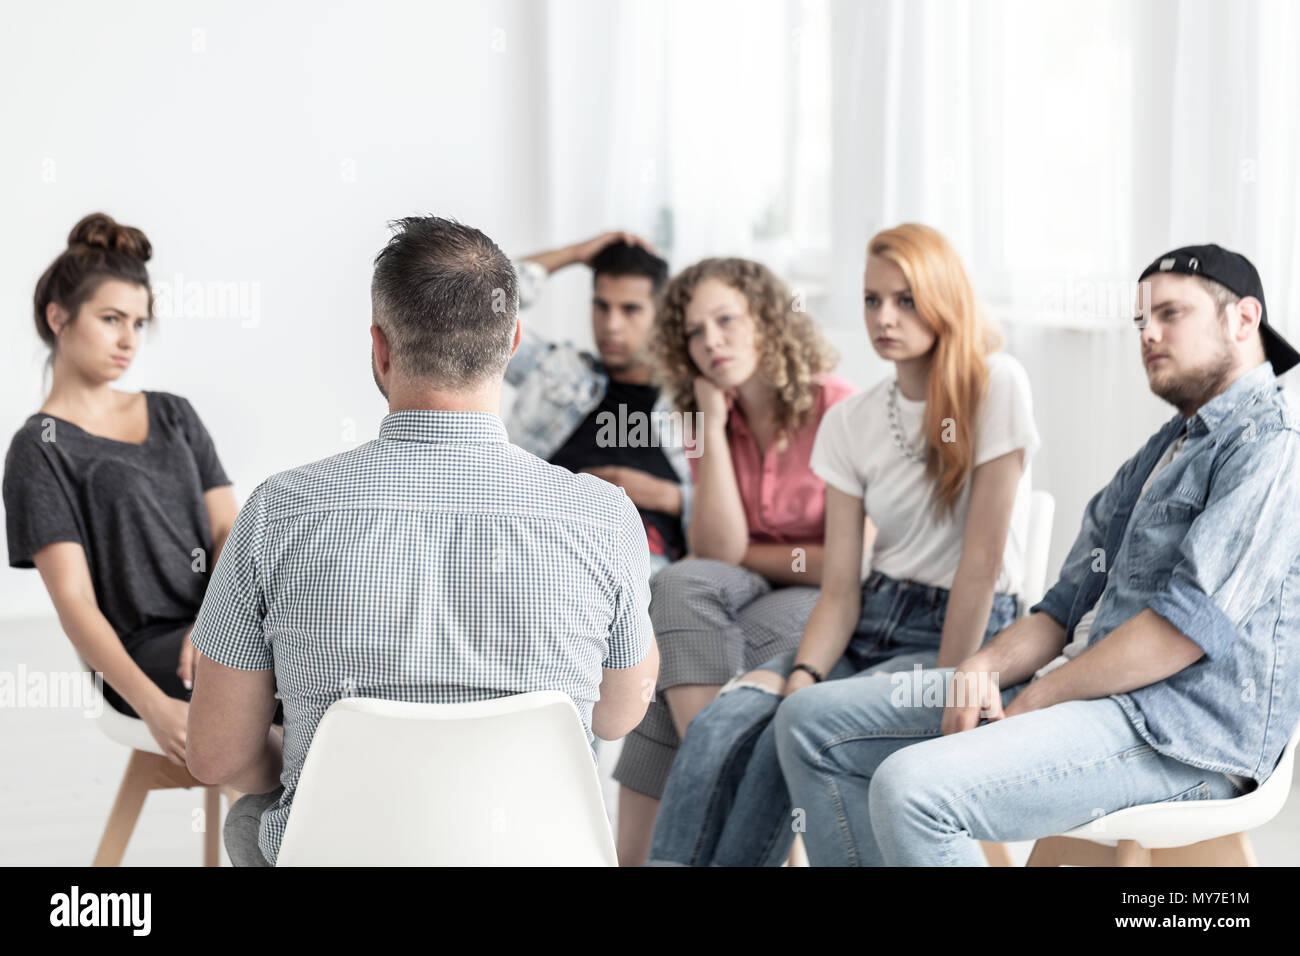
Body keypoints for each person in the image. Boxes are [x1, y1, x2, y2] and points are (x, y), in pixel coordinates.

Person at [777, 244, 1300, 865]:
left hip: (1172, 731)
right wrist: (984, 667)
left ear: (1244, 319)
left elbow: (1182, 633)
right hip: (1082, 698)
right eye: (1140, 320)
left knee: (912, 790)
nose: (1148, 335)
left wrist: (1039, 700)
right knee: (810, 723)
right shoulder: (1159, 453)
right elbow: (1058, 611)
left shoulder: (1272, 444)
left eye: (1170, 314)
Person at [185, 216, 659, 867]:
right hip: (538, 853)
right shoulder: (604, 517)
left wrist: (315, 760)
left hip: (344, 855)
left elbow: (217, 755)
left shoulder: (277, 512)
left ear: (380, 349)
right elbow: (616, 716)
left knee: (251, 820)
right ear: (513, 343)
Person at [647, 223, 1039, 865]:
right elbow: (840, 587)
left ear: (944, 296)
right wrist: (803, 675)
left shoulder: (996, 384)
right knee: (724, 722)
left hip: (962, 630)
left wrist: (947, 688)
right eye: (871, 300)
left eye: (905, 299)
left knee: (802, 725)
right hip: (869, 620)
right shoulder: (852, 421)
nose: (885, 317)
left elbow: (982, 563)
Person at [612, 256, 857, 865]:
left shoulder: (838, 408)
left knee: (670, 670)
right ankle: (712, 778)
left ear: (769, 320)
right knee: (676, 583)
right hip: (750, 578)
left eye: (726, 320)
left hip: (826, 597)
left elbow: (842, 568)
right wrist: (715, 428)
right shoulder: (704, 418)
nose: (711, 341)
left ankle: (688, 805)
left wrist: (756, 556)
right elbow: (715, 552)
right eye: (695, 331)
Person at [3, 213, 238, 766]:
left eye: (138, 322)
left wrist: (217, 624)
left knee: (333, 658)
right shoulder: (39, 449)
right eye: (111, 319)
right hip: (146, 654)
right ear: (57, 317)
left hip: (221, 628)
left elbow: (231, 530)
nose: (128, 339)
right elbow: (76, 603)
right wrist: (153, 708)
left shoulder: (173, 413)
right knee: (295, 692)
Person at [507, 233, 689, 572]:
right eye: (601, 306)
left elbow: (745, 516)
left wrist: (668, 496)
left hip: (638, 563)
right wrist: (574, 253)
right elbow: (470, 305)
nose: (611, 326)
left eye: (630, 310)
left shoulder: (693, 405)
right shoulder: (558, 371)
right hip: (536, 543)